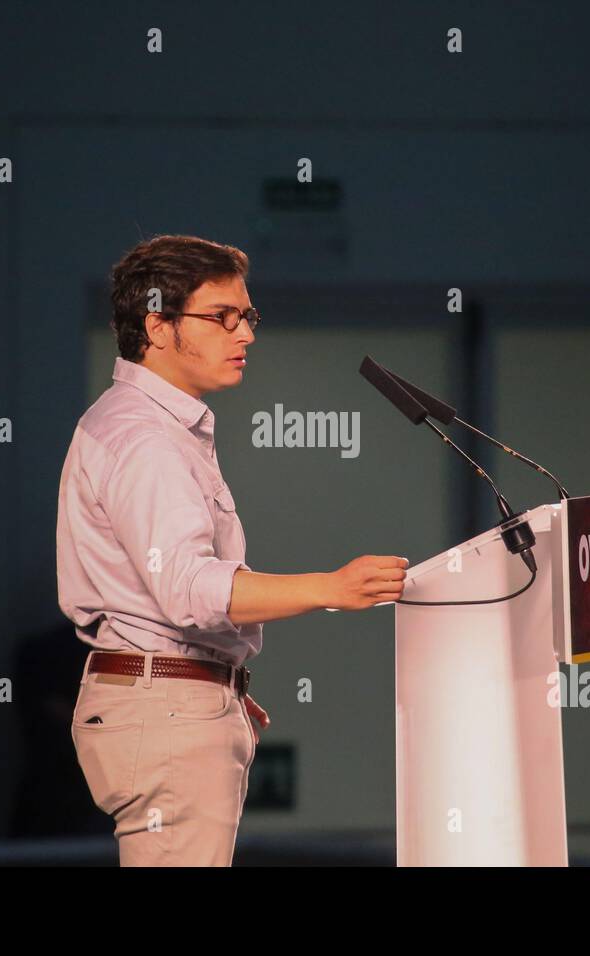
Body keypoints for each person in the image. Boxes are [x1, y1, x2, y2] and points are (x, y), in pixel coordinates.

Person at [55, 233, 408, 865]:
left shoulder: (143, 424)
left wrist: (215, 677)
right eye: (223, 317)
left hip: (166, 700)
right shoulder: (145, 439)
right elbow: (191, 589)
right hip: (163, 711)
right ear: (157, 325)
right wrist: (332, 587)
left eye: (248, 317)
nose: (245, 334)